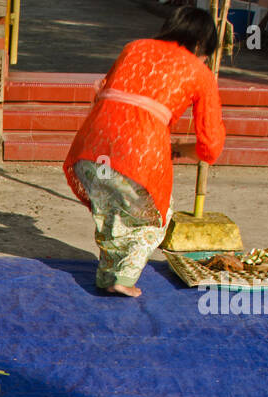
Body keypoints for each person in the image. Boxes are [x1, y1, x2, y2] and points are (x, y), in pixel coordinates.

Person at [63, 7, 226, 297]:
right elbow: (210, 147)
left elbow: (103, 92)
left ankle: (106, 277)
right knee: (153, 219)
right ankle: (123, 279)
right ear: (201, 45)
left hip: (91, 152)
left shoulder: (134, 48)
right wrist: (178, 149)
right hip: (138, 155)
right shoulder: (200, 72)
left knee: (113, 213)